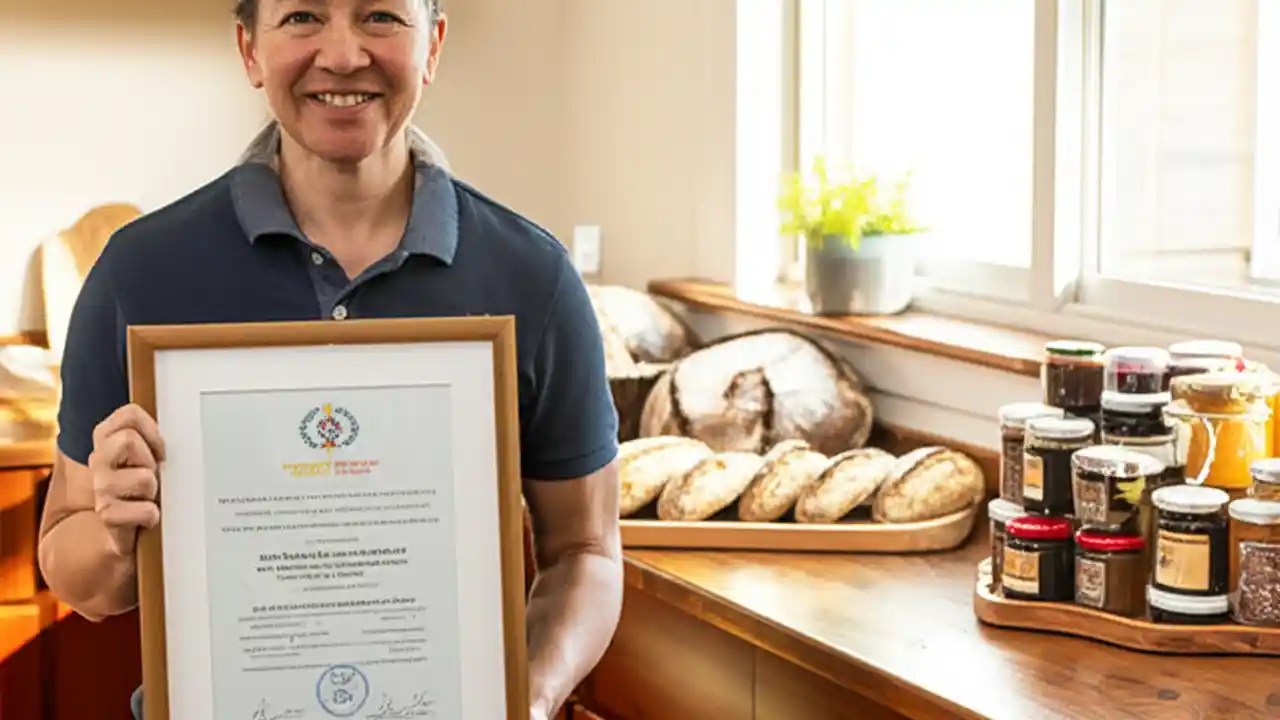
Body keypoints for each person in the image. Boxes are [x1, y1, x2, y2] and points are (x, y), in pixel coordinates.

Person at [34, 1, 623, 718]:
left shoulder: (533, 277)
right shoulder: (141, 271)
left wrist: (525, 699)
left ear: (432, 46)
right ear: (250, 50)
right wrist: (115, 531)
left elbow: (586, 554)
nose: (343, 55)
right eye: (303, 17)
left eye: (380, 16)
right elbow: (78, 575)